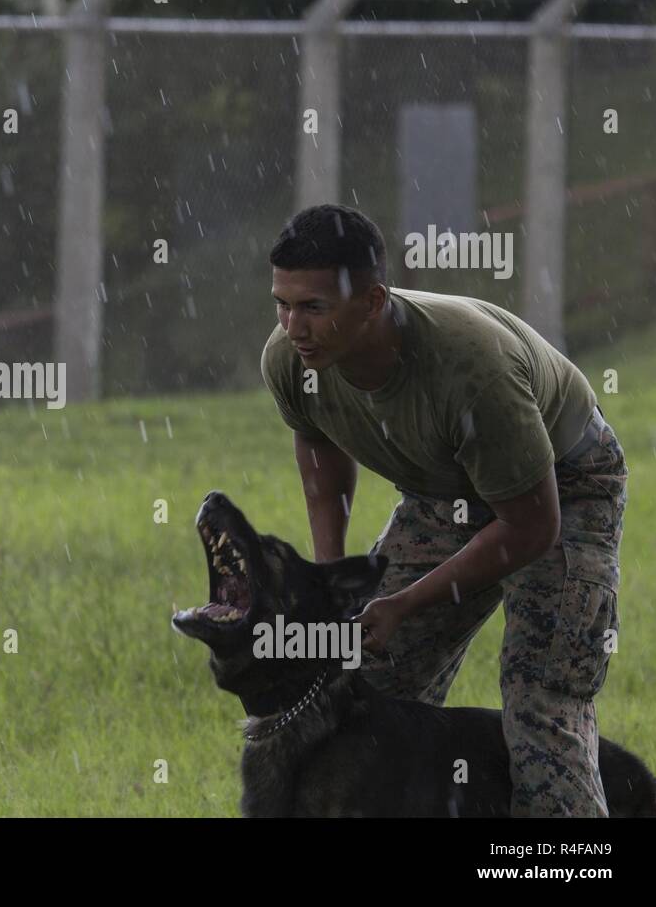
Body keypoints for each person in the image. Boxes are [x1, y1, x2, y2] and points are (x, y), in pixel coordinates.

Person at [260, 203, 627, 817]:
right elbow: (320, 449)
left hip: (563, 487)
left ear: (373, 302)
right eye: (282, 304)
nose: (293, 326)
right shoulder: (293, 361)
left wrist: (403, 603)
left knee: (542, 709)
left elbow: (532, 525)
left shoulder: (469, 367)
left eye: (313, 308)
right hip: (447, 498)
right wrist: (335, 584)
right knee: (359, 688)